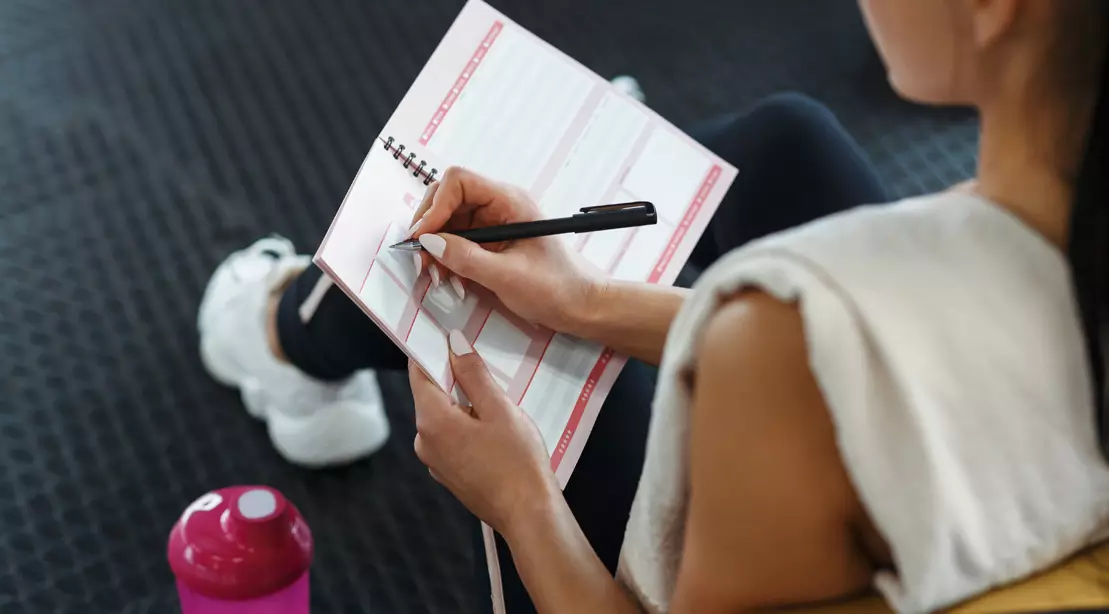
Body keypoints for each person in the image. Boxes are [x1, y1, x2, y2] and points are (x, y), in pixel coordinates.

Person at [197, 0, 1109, 612]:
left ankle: (283, 330)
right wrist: (588, 299)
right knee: (790, 141)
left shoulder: (777, 343)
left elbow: (808, 354)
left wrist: (518, 503)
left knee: (500, 339)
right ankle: (300, 331)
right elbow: (913, 343)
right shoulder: (1031, 231)